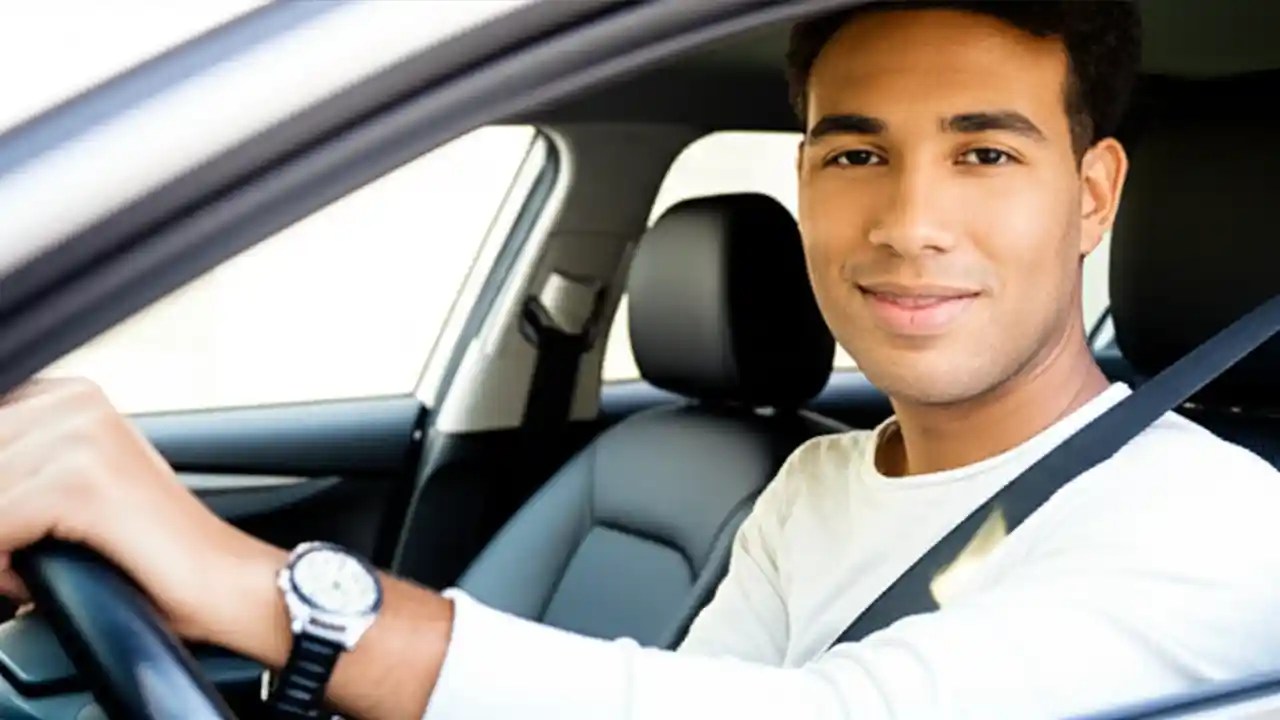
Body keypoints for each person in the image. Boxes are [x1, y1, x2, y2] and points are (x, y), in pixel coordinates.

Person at [1, 2, 1278, 718]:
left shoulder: (1219, 523)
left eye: (983, 154)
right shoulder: (815, 483)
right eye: (854, 154)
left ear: (1090, 196)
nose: (907, 222)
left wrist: (270, 591)